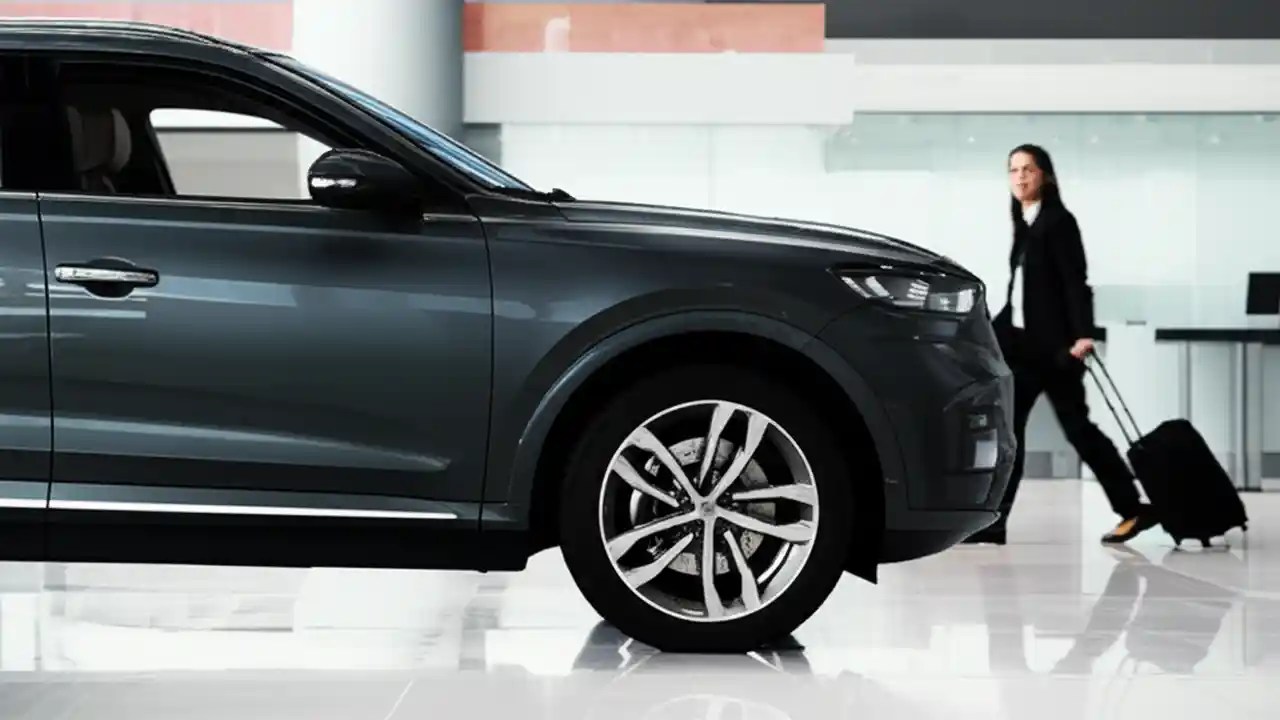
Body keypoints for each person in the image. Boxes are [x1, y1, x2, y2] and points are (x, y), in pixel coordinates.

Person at [966, 144, 1158, 546]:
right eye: (1013, 170)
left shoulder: (1059, 222)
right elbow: (1020, 296)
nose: (1020, 177)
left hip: (1056, 352)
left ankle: (1134, 508)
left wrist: (1083, 334)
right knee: (1010, 434)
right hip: (1023, 350)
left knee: (1079, 431)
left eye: (1028, 169)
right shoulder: (1025, 223)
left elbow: (1076, 282)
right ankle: (994, 523)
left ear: (1045, 176)